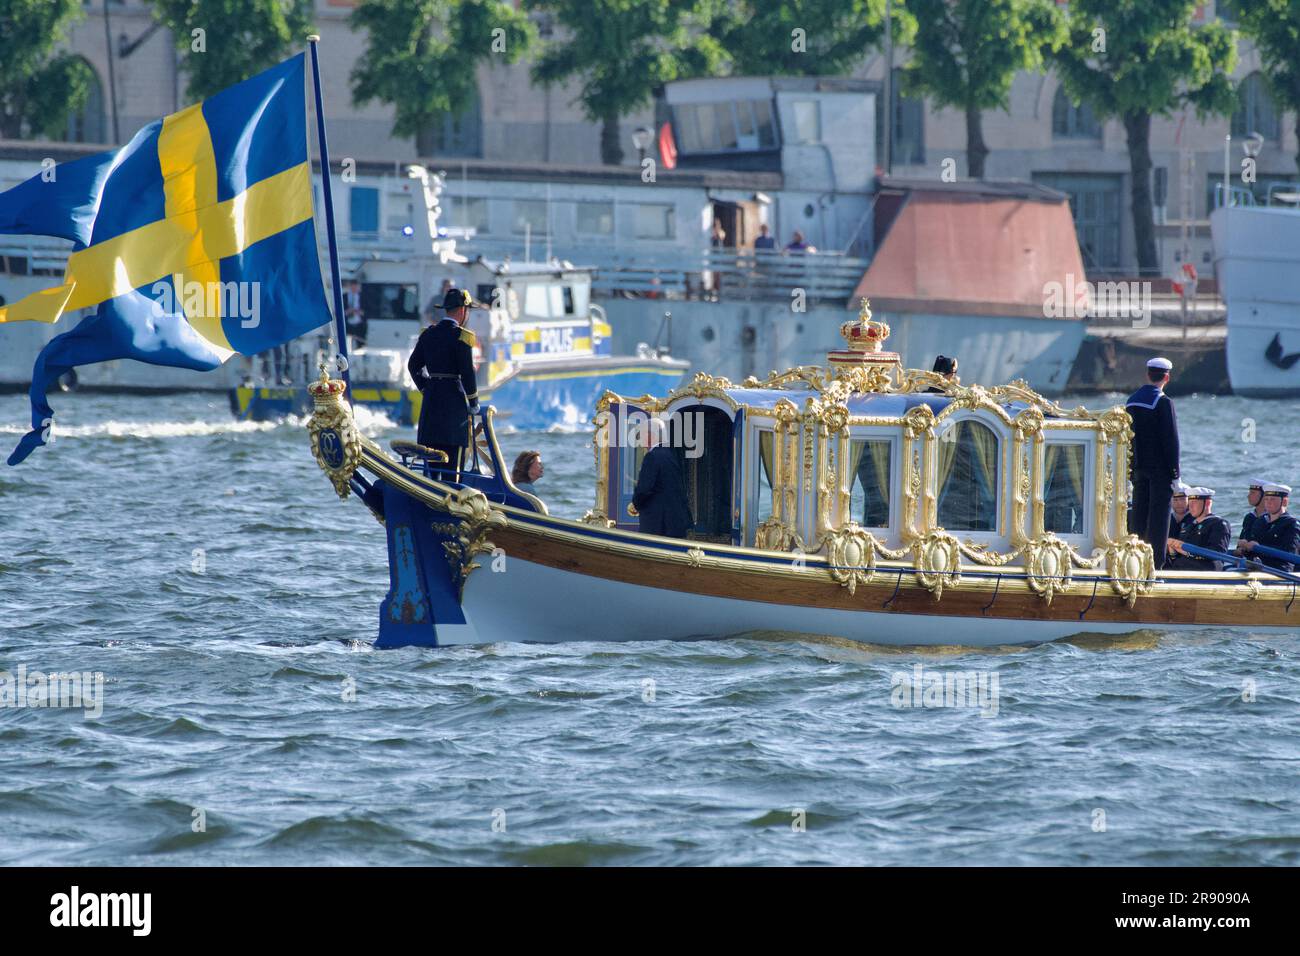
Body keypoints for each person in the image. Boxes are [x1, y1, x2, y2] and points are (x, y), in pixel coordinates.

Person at [407, 287, 481, 474]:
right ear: (463, 310)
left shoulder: (428, 334)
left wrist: (427, 387)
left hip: (431, 405)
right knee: (452, 469)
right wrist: (473, 402)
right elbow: (467, 374)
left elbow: (413, 365)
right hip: (453, 409)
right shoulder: (462, 337)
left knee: (430, 464)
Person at [1126, 357, 1180, 569]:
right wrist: (1175, 475)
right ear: (1167, 377)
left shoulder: (1131, 401)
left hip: (1138, 468)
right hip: (1160, 471)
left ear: (1148, 375)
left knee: (1139, 514)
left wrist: (1130, 469)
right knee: (1159, 518)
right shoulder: (1164, 402)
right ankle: (1156, 564)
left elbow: (1128, 438)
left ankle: (1135, 562)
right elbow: (1171, 440)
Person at [632, 425, 693, 539]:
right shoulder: (669, 454)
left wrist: (636, 503)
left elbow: (644, 489)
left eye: (641, 437)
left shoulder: (652, 456)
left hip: (658, 523)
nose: (640, 442)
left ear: (650, 436)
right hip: (674, 521)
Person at [1166, 487, 1232, 571]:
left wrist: (1186, 550)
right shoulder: (1189, 526)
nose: (1191, 506)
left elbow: (1218, 553)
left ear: (1207, 503)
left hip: (1205, 570)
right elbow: (1177, 556)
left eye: (1194, 502)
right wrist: (1172, 549)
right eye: (1189, 503)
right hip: (1184, 567)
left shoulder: (1218, 524)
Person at [1240, 482, 1299, 572]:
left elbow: (1289, 552)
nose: (1268, 503)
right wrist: (1245, 546)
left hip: (1280, 571)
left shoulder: (1291, 524)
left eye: (1273, 499)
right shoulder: (1260, 522)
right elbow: (1252, 549)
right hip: (1256, 568)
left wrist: (1259, 547)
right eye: (1266, 499)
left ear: (1284, 502)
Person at [1238, 478, 1267, 547]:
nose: (1248, 496)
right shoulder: (1249, 517)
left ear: (1264, 496)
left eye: (1253, 493)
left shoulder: (1271, 519)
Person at [344, 279, 366, 348]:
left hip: (360, 325)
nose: (354, 288)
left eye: (355, 286)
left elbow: (368, 310)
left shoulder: (363, 297)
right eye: (352, 286)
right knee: (347, 343)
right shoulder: (344, 297)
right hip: (348, 324)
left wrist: (360, 312)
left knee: (360, 344)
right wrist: (347, 312)